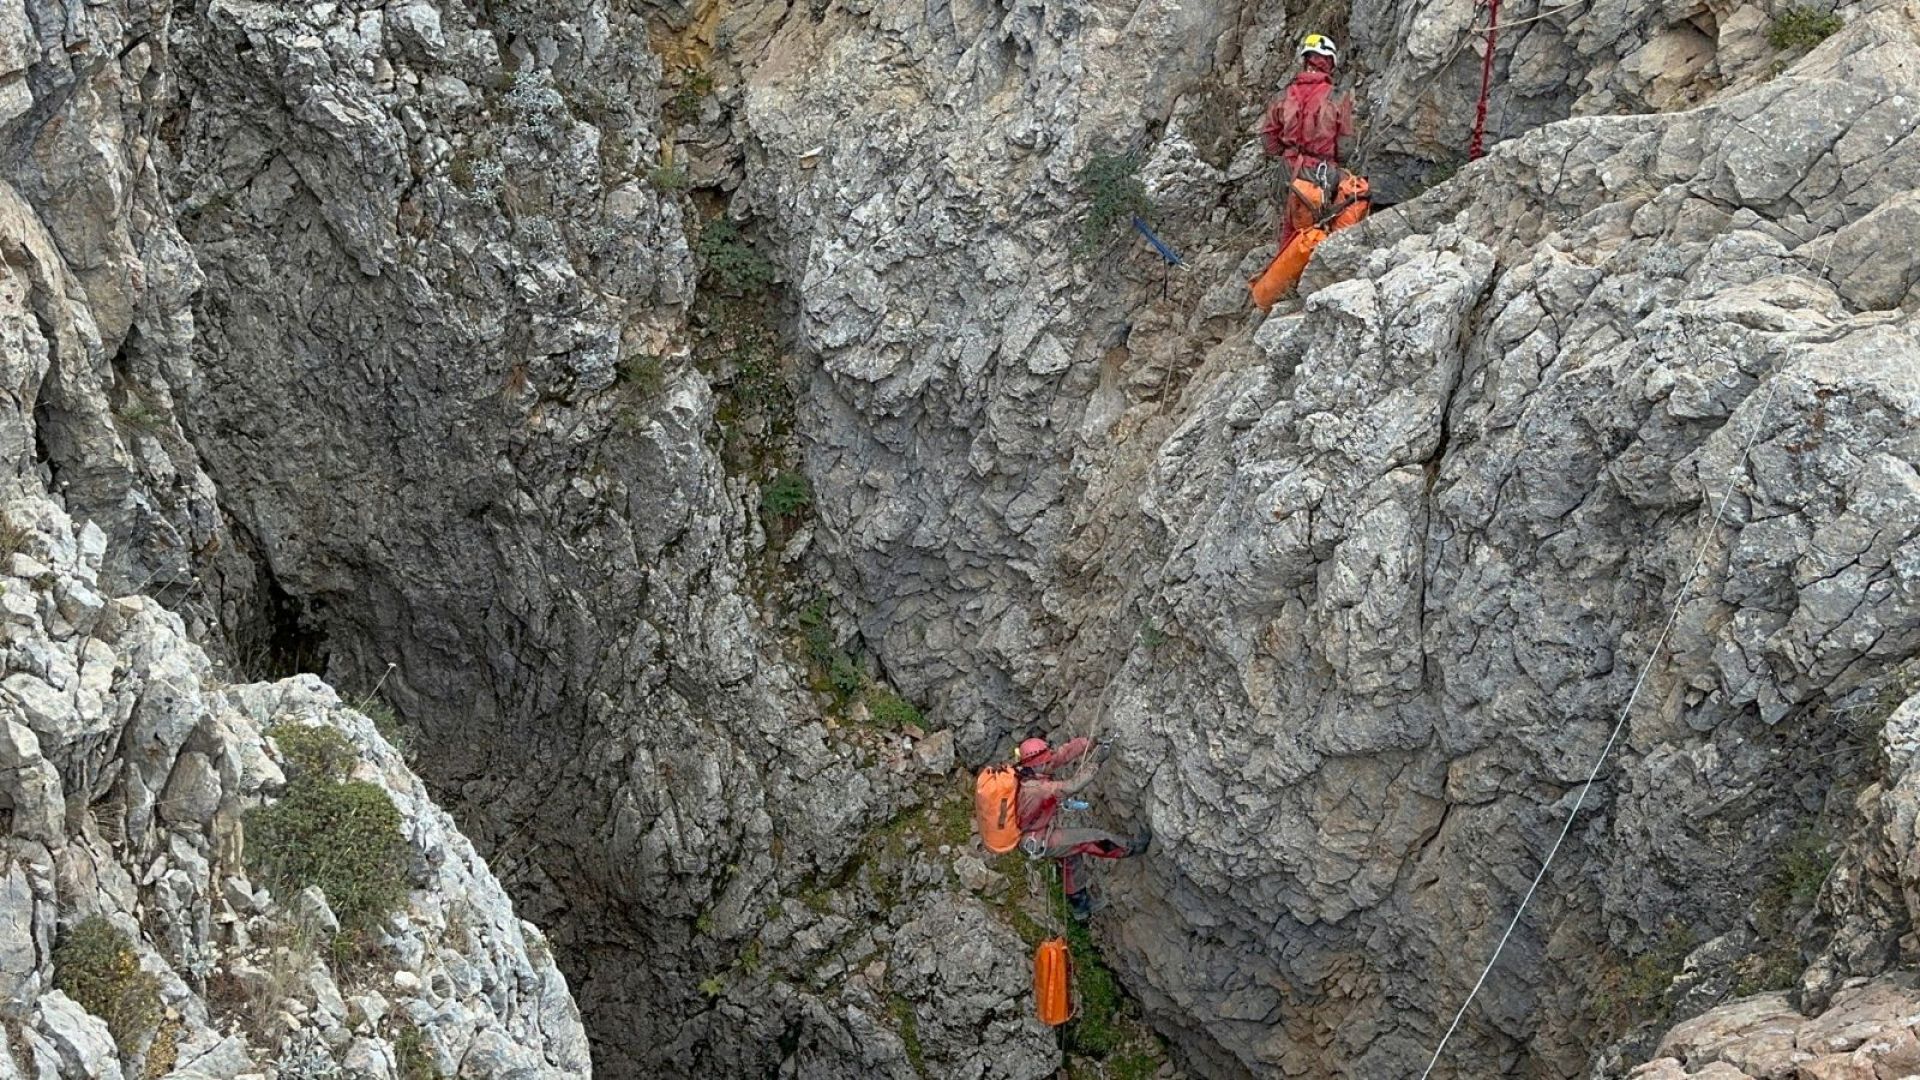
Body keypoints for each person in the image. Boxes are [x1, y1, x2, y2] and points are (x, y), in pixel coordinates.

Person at [1013, 737, 1151, 921]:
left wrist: (1089, 743)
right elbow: (1072, 786)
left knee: (1071, 857)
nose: (1049, 761)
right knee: (1091, 838)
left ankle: (1080, 907)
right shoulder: (1035, 788)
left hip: (1038, 833)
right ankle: (1132, 847)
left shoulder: (1028, 771)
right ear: (1038, 764)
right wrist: (1096, 762)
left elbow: (1061, 755)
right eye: (1045, 760)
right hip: (1037, 840)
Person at [1260, 33, 1357, 247]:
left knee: (1288, 221)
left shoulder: (1283, 94)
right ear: (1330, 62)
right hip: (1320, 172)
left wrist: (1288, 153)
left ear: (1306, 60)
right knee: (1316, 225)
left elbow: (1268, 139)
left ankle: (1283, 264)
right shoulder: (1337, 96)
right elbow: (1345, 145)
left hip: (1288, 168)